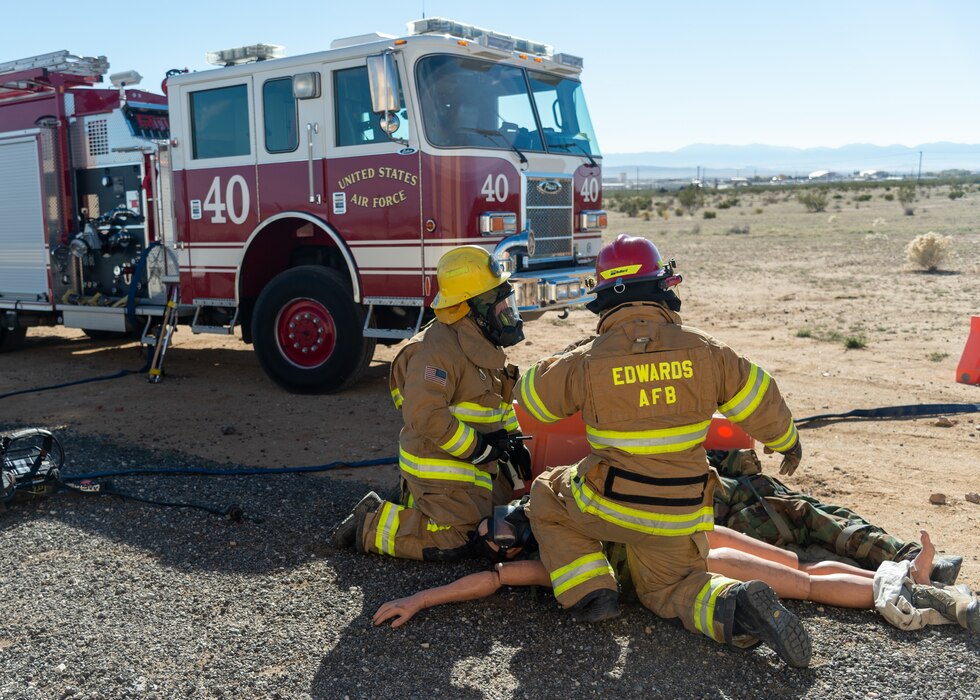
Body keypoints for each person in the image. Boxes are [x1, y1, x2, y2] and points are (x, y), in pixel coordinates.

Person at [515, 234, 811, 667]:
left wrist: (575, 353)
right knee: (671, 590)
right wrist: (788, 441)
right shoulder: (707, 350)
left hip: (611, 502)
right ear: (661, 288)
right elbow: (761, 397)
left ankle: (591, 592)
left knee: (545, 491)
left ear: (603, 299)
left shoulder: (588, 360)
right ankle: (737, 605)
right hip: (682, 510)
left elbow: (531, 400)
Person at [373, 507, 979, 634]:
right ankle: (912, 591)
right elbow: (486, 581)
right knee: (805, 582)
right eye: (497, 533)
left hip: (689, 540)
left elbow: (490, 574)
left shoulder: (555, 519)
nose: (503, 525)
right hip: (685, 554)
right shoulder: (545, 554)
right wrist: (423, 601)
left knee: (799, 568)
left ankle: (910, 586)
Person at [329, 245, 532, 561]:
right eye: (499, 305)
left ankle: (415, 506)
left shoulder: (482, 347)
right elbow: (424, 416)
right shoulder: (435, 353)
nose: (506, 314)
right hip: (438, 465)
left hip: (472, 466)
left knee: (495, 527)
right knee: (459, 538)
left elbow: (497, 403)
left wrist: (514, 439)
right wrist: (478, 447)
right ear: (470, 309)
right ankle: (369, 523)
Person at [709, 449, 964, 585]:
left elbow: (719, 459)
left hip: (754, 494)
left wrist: (738, 458)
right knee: (814, 521)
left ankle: (909, 561)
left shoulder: (679, 450)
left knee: (836, 514)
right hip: (734, 522)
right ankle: (909, 566)